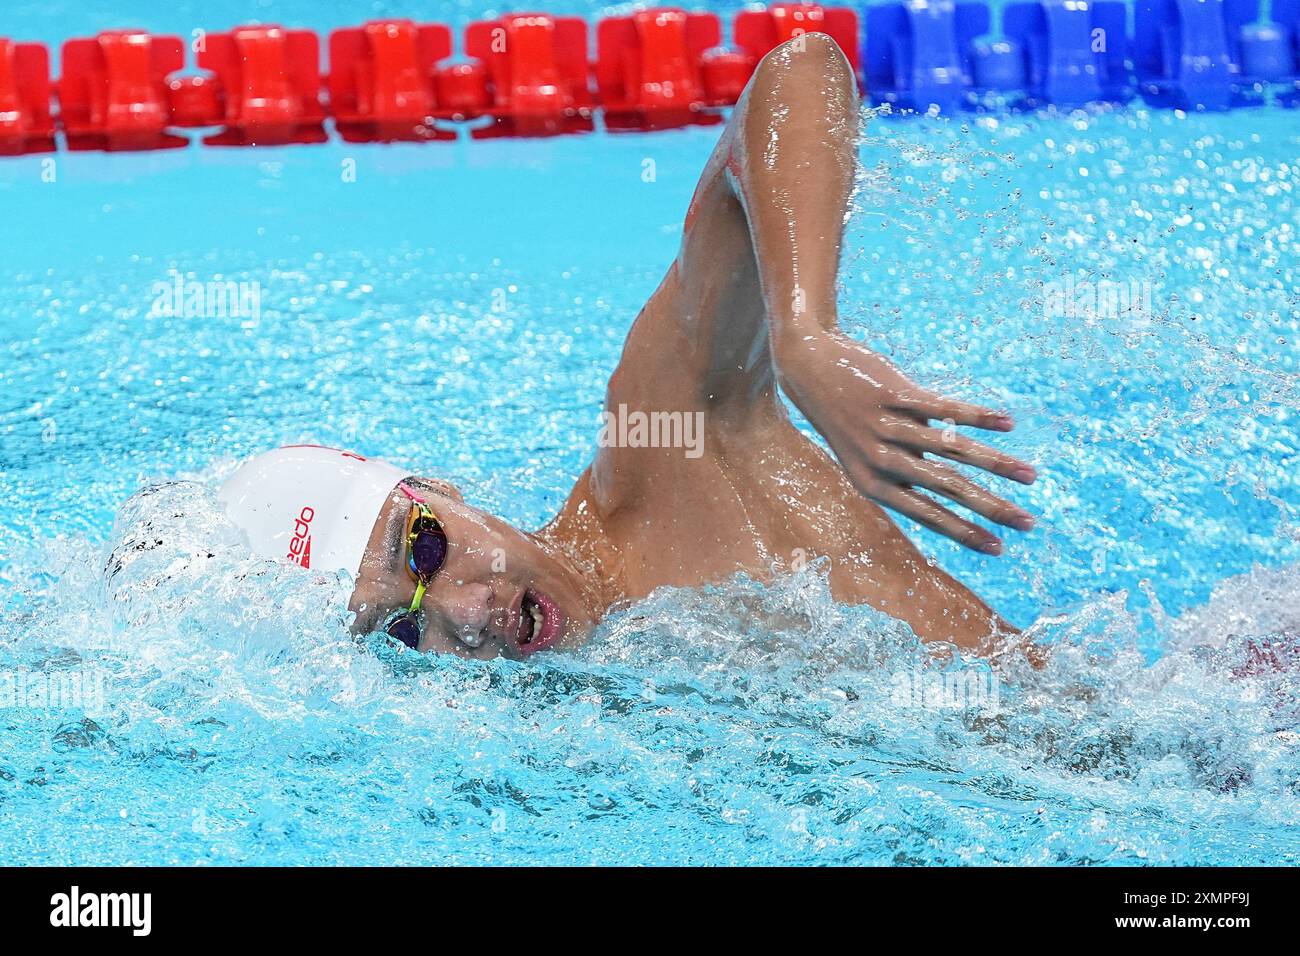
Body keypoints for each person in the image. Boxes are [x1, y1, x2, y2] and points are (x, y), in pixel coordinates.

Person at [219, 33, 1037, 660]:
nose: (465, 617)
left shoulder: (671, 456)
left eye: (424, 545)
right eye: (401, 631)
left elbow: (798, 72)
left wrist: (803, 333)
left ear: (443, 490)